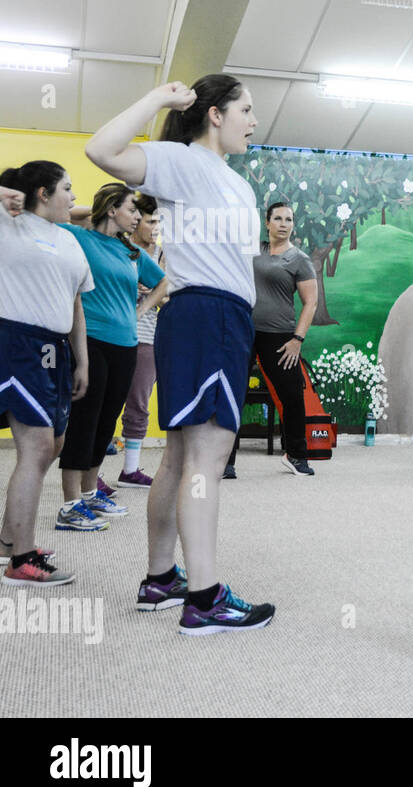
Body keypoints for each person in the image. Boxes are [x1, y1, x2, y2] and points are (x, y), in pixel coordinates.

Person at [86, 74, 275, 632]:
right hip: (207, 318)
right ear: (214, 114)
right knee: (207, 461)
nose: (254, 120)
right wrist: (160, 100)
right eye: (246, 108)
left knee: (178, 457)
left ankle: (161, 578)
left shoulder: (233, 183)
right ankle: (205, 598)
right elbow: (101, 149)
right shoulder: (183, 160)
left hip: (217, 318)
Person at [0, 162, 92, 582]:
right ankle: (22, 558)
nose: (74, 197)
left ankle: (6, 540)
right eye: (67, 189)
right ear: (42, 192)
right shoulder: (10, 223)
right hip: (18, 344)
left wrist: (82, 359)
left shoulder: (71, 241)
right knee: (36, 449)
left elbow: (76, 304)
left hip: (56, 350)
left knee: (52, 446)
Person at [55, 184, 166, 527]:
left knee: (107, 423)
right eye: (131, 209)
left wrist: (143, 308)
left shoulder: (132, 252)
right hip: (91, 340)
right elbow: (58, 215)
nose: (137, 217)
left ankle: (90, 493)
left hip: (126, 344)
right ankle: (70, 503)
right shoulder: (80, 238)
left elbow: (164, 282)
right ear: (112, 210)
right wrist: (98, 209)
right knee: (85, 420)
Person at [225, 201, 319, 478]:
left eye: (288, 219)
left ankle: (297, 456)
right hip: (244, 333)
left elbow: (310, 302)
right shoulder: (253, 250)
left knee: (291, 396)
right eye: (277, 218)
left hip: (280, 337)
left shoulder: (299, 259)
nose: (283, 223)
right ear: (267, 223)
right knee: (233, 395)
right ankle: (225, 460)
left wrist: (297, 339)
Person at [117, 193, 167, 488]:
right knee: (103, 402)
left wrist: (151, 295)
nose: (156, 228)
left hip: (149, 336)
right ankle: (88, 471)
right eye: (151, 222)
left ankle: (130, 470)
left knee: (138, 403)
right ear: (136, 221)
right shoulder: (121, 248)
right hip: (115, 333)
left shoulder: (163, 254)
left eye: (159, 223)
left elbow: (170, 296)